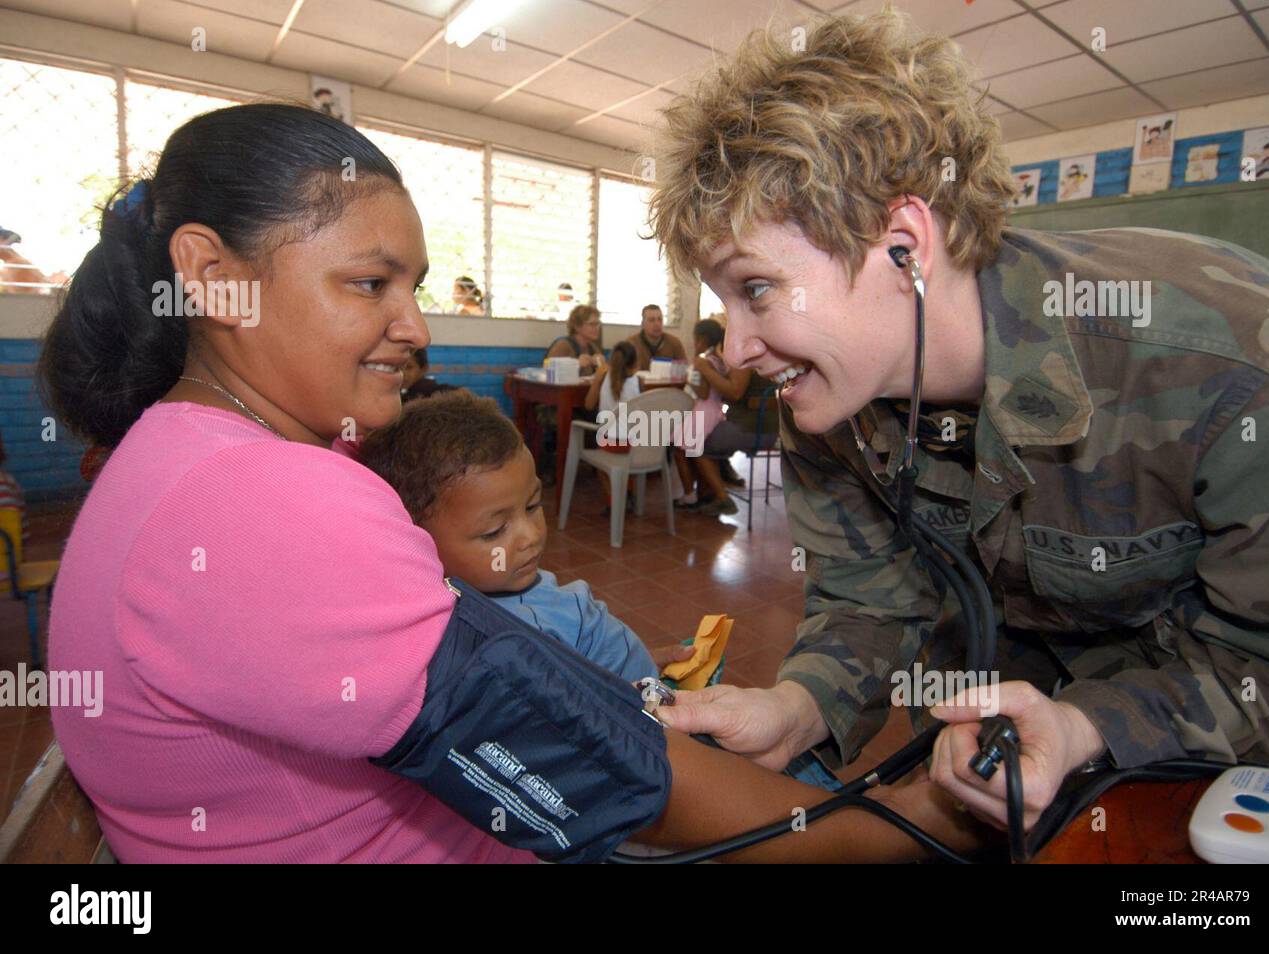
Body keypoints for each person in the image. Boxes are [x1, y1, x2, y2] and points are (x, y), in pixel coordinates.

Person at [40, 101, 965, 863]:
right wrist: (895, 835)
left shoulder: (175, 457)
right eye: (369, 284)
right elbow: (586, 760)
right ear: (212, 276)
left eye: (416, 287)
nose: (417, 329)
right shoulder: (261, 501)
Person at [647, 9, 1269, 841]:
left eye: (758, 290)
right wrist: (797, 706)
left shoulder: (1235, 362)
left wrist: (1085, 726)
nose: (735, 348)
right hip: (985, 747)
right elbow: (869, 601)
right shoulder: (827, 401)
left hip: (1190, 781)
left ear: (904, 247)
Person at [356, 390, 658, 682]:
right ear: (415, 541)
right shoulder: (498, 638)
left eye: (532, 505)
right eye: (494, 531)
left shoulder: (532, 615)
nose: (531, 536)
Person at [672, 318, 734, 515]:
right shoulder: (719, 359)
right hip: (714, 409)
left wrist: (688, 381)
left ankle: (690, 494)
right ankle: (701, 492)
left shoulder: (704, 361)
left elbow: (703, 392)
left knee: (680, 448)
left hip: (704, 408)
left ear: (701, 339)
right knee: (688, 448)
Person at [584, 340, 640, 512]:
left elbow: (588, 404)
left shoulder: (604, 379)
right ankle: (629, 493)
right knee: (628, 460)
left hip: (610, 444)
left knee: (603, 465)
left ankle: (614, 502)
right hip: (636, 446)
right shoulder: (638, 382)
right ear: (635, 365)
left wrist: (596, 379)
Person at [545, 304, 605, 375]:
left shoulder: (593, 348)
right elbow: (547, 369)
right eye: (592, 324)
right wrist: (576, 365)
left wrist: (602, 366)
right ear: (577, 326)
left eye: (597, 324)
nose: (597, 328)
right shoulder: (563, 345)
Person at [624, 303, 686, 369]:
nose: (657, 324)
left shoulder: (674, 343)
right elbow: (621, 370)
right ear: (643, 324)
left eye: (660, 319)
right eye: (652, 320)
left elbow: (684, 369)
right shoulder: (631, 344)